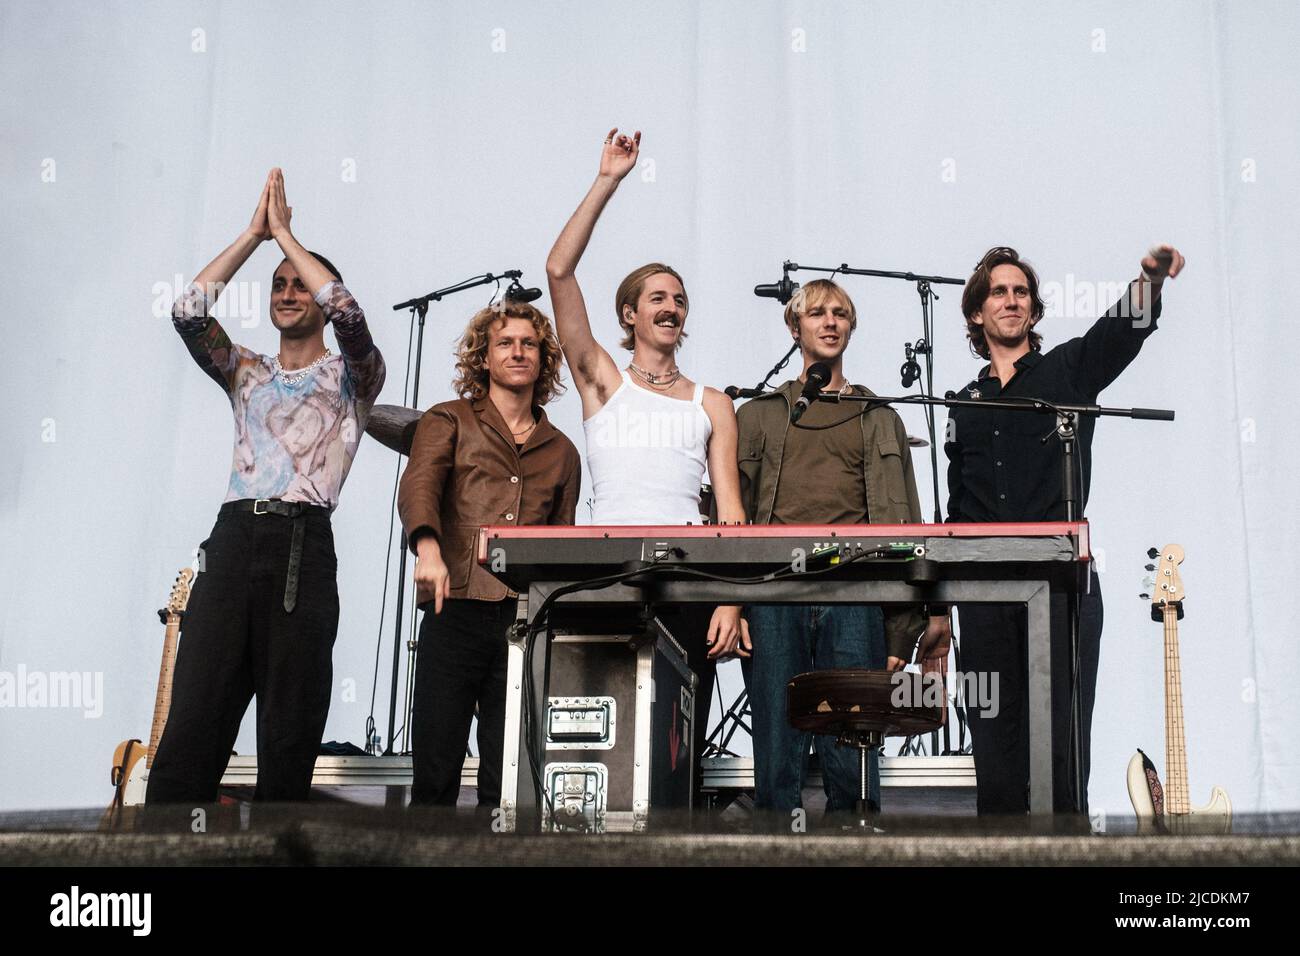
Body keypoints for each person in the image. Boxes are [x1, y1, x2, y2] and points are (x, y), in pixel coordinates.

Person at [148, 168, 386, 804]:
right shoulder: (245, 369)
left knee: (287, 743)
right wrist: (256, 236)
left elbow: (351, 316)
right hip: (232, 541)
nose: (287, 291)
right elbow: (187, 312)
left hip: (302, 551)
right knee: (189, 731)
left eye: (297, 282)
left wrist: (288, 235)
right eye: (277, 284)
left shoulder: (353, 377)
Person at [928, 244, 1185, 814]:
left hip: (1062, 589)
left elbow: (1118, 337)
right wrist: (938, 611)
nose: (1012, 300)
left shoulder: (1066, 371)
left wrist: (1149, 281)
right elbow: (956, 512)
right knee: (995, 756)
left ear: (1035, 311)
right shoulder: (964, 403)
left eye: (1021, 292)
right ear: (976, 313)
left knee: (1063, 757)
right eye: (999, 292)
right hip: (987, 596)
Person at [545, 128, 748, 795]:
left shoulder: (712, 402)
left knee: (674, 747)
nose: (671, 305)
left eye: (680, 298)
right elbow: (558, 272)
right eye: (657, 297)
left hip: (691, 578)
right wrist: (608, 179)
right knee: (596, 732)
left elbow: (732, 515)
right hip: (607, 571)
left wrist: (732, 602)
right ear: (629, 315)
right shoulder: (603, 380)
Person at [736, 279, 926, 824]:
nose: (829, 321)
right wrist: (732, 602)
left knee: (855, 749)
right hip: (774, 597)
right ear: (794, 328)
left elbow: (907, 527)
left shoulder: (879, 417)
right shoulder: (759, 415)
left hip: (856, 594)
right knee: (776, 742)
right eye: (816, 312)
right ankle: (778, 846)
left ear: (851, 327)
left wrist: (901, 629)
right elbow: (728, 519)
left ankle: (854, 840)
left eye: (840, 313)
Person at [397, 300, 581, 810]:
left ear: (543, 359)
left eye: (529, 344)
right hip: (451, 607)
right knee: (436, 769)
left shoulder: (562, 450)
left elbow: (561, 545)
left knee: (508, 782)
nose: (518, 352)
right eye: (505, 343)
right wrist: (427, 549)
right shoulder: (448, 418)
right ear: (484, 356)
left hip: (521, 624)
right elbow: (419, 487)